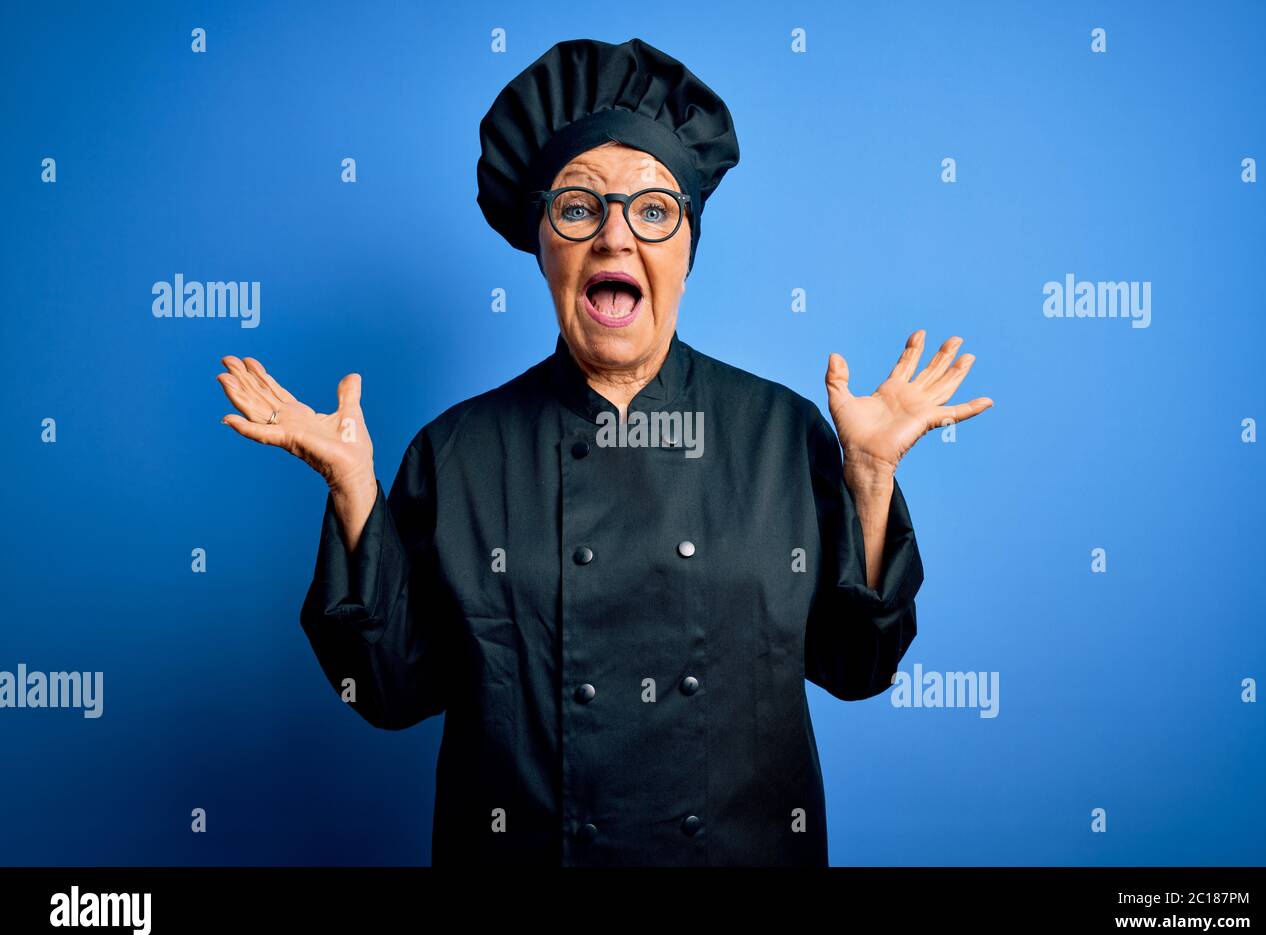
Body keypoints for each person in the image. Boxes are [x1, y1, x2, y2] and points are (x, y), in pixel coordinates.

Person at [216, 37, 993, 866]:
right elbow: (391, 690)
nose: (616, 239)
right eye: (580, 208)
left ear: (688, 250)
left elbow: (858, 665)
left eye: (653, 211)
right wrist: (353, 491)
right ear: (542, 245)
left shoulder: (782, 433)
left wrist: (869, 478)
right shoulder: (459, 452)